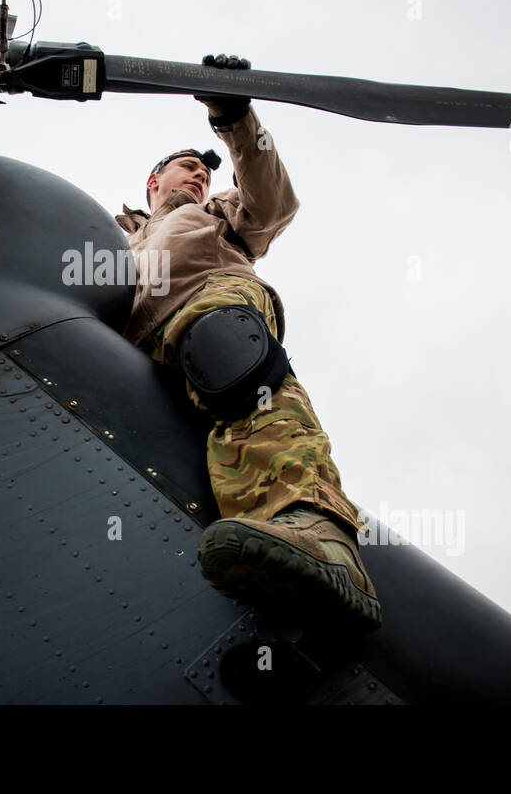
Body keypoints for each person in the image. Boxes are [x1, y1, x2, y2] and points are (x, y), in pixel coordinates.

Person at [113, 55, 381, 629]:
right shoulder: (111, 235)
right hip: (132, 348)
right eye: (186, 168)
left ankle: (319, 532)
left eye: (204, 172)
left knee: (230, 362)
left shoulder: (217, 215)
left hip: (206, 305)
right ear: (152, 181)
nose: (198, 176)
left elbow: (273, 203)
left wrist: (234, 117)